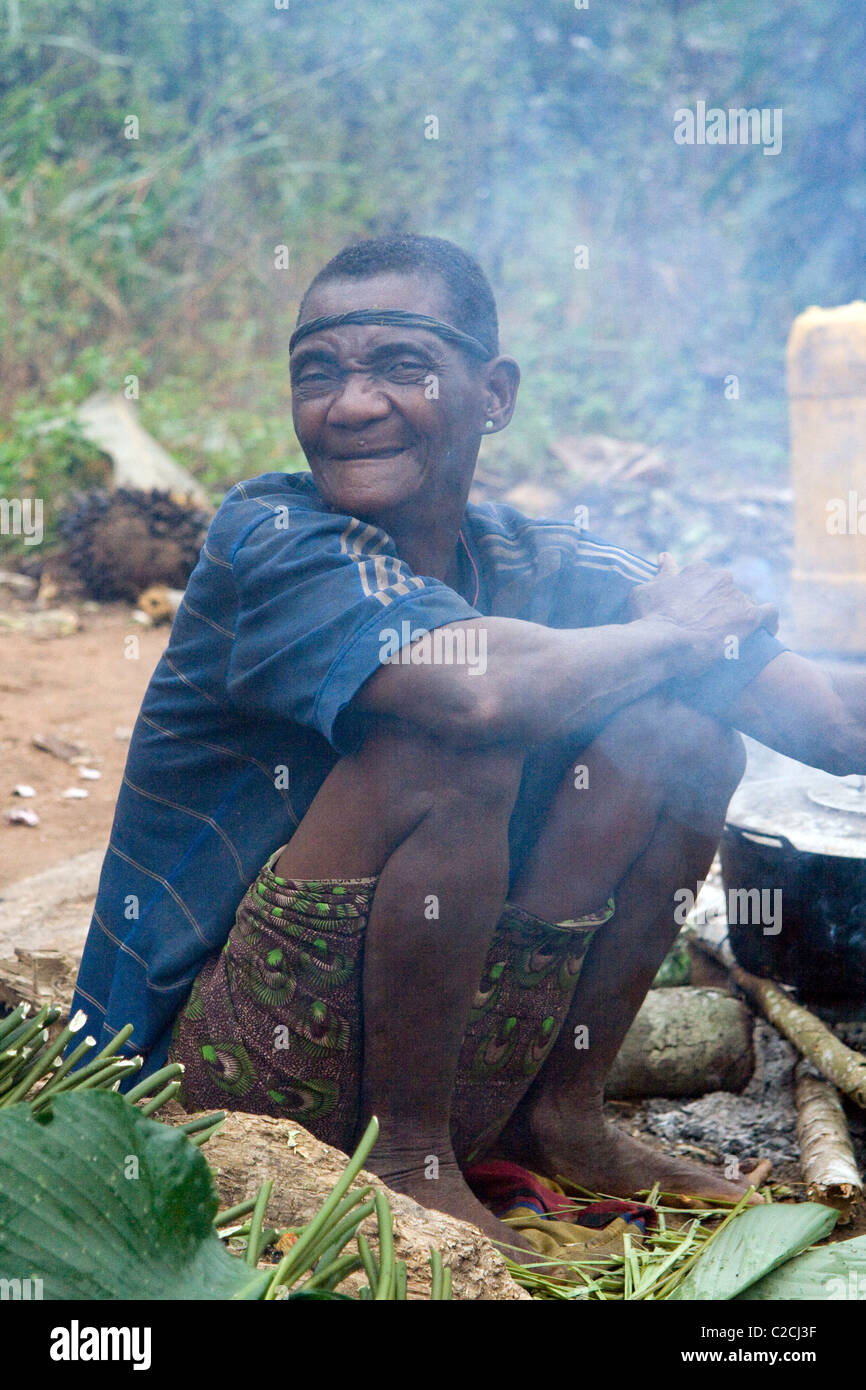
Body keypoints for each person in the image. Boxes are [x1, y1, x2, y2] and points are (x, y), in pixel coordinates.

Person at [70, 234, 866, 1250]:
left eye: (400, 366)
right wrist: (673, 631)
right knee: (446, 742)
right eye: (317, 372)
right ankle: (406, 1159)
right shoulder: (269, 535)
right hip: (215, 1069)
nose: (349, 404)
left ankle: (558, 1114)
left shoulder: (542, 555)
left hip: (451, 1050)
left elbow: (831, 724)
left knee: (684, 738)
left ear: (493, 393)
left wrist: (684, 644)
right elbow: (479, 696)